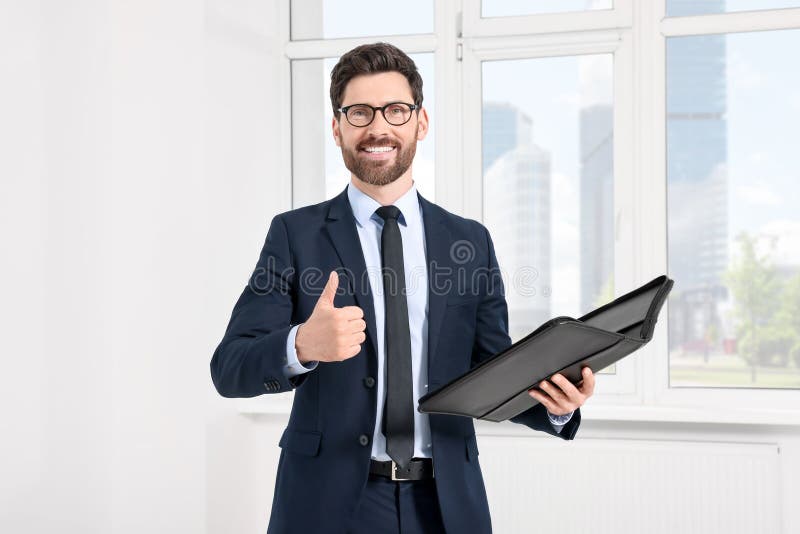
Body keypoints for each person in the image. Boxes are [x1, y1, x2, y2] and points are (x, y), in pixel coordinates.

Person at [210, 42, 596, 534]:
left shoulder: (469, 241)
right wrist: (301, 345)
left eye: (395, 110)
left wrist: (554, 407)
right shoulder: (295, 234)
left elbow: (490, 368)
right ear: (337, 128)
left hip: (445, 503)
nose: (378, 127)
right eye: (359, 112)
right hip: (326, 505)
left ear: (421, 122)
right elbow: (229, 368)